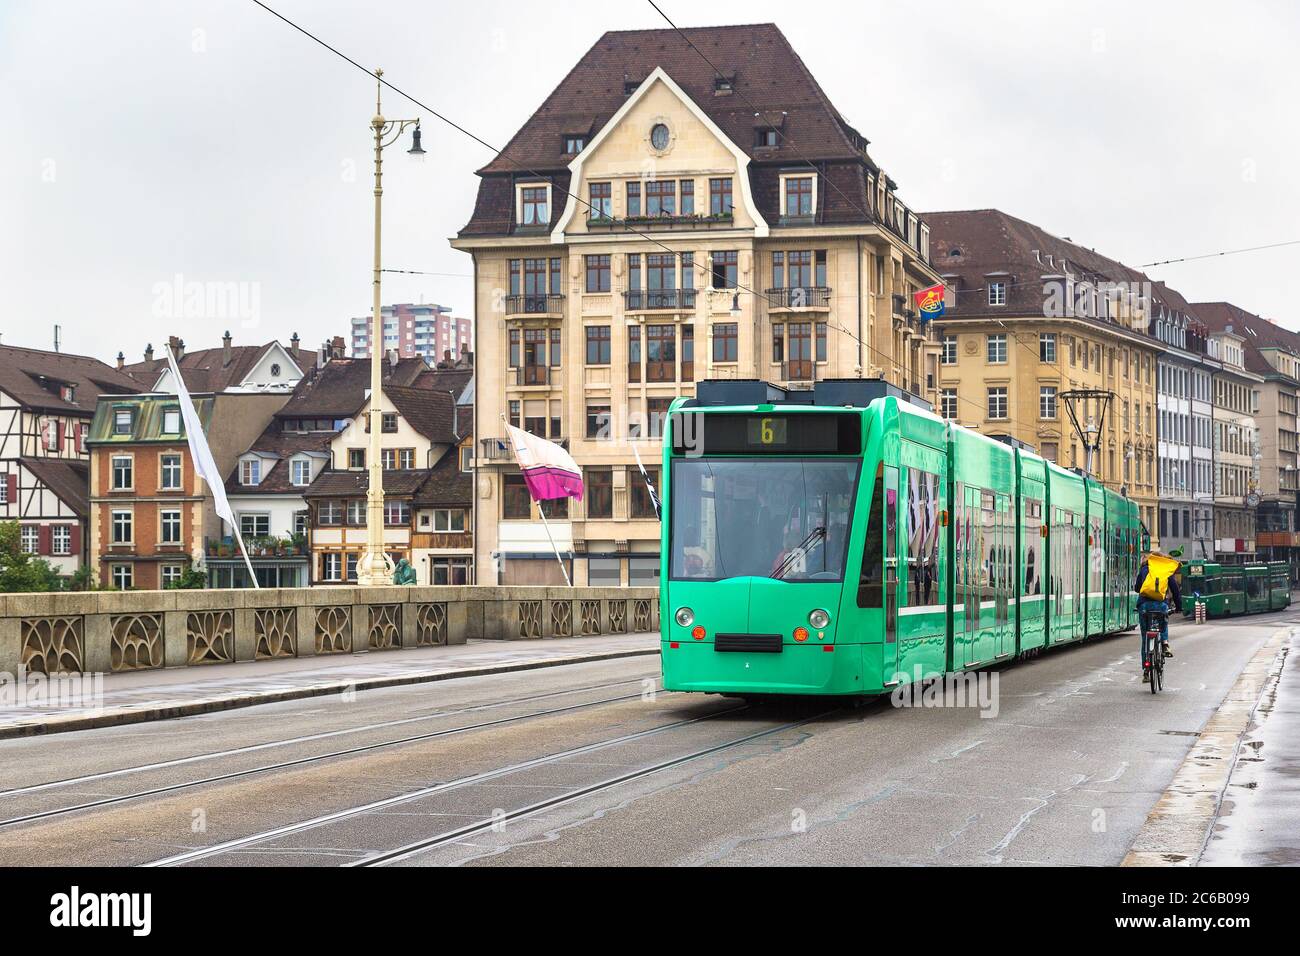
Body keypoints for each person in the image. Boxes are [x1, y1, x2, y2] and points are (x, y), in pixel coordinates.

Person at [1134, 548, 1182, 680]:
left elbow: (1137, 588)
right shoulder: (1166, 570)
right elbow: (1175, 591)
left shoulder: (1145, 569)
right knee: (1163, 624)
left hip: (1144, 606)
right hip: (1161, 605)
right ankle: (1165, 643)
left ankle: (1146, 670)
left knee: (1145, 638)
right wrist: (1178, 607)